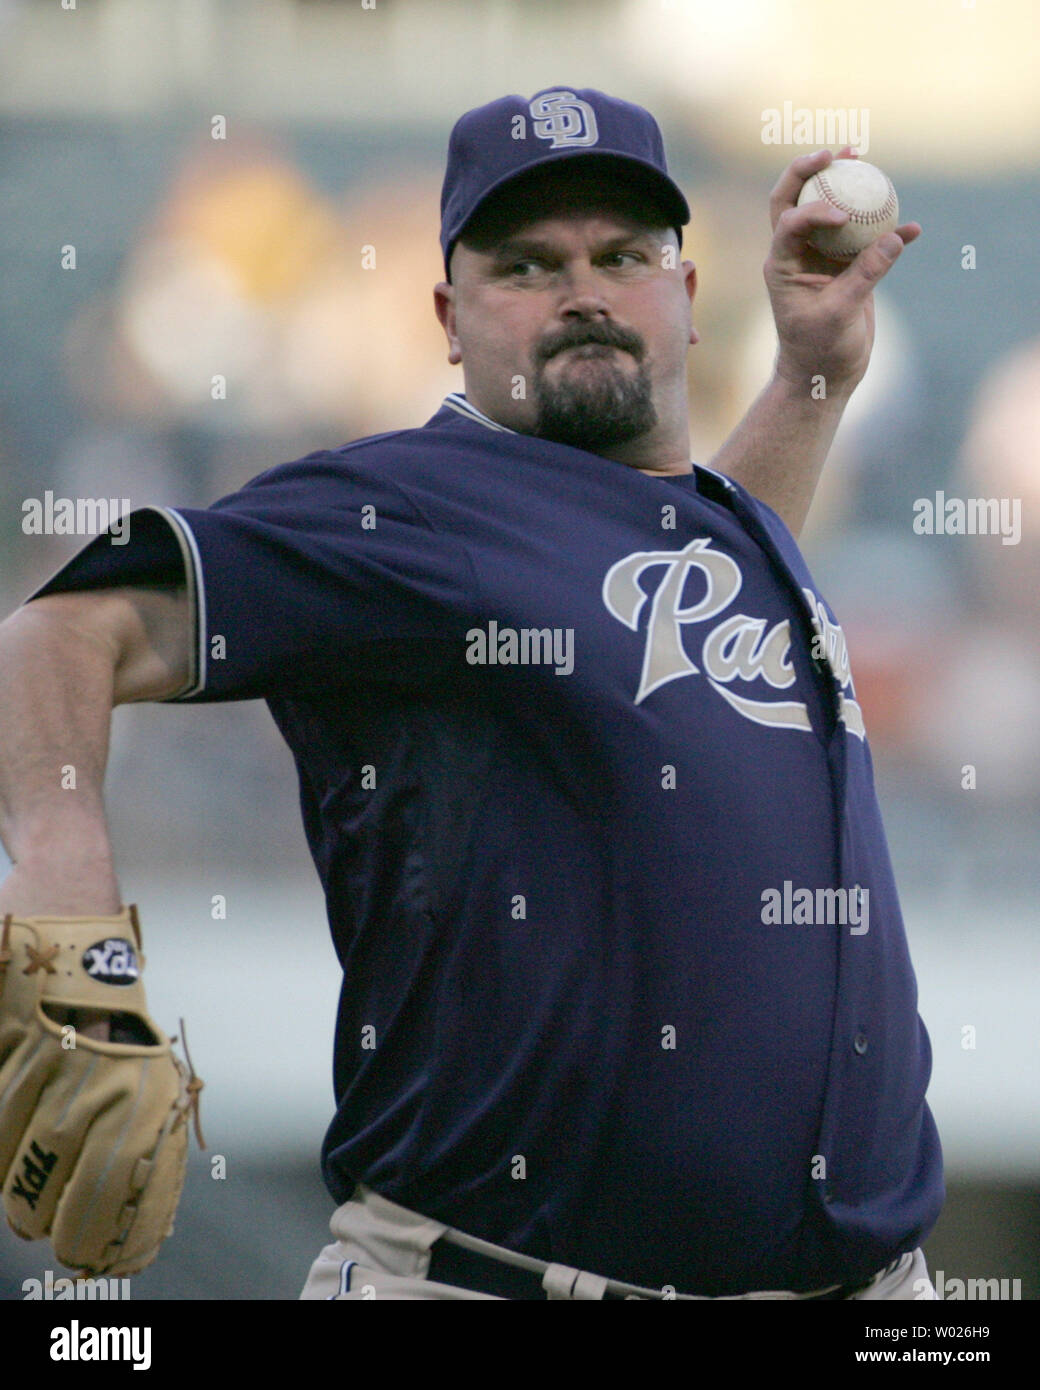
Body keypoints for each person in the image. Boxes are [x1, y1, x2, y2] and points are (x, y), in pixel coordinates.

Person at [0, 87, 942, 1300]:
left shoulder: (719, 530)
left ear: (688, 299)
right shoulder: (409, 505)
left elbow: (671, 585)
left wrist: (811, 377)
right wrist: (64, 877)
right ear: (449, 317)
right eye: (526, 264)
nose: (583, 290)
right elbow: (57, 632)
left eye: (622, 255)